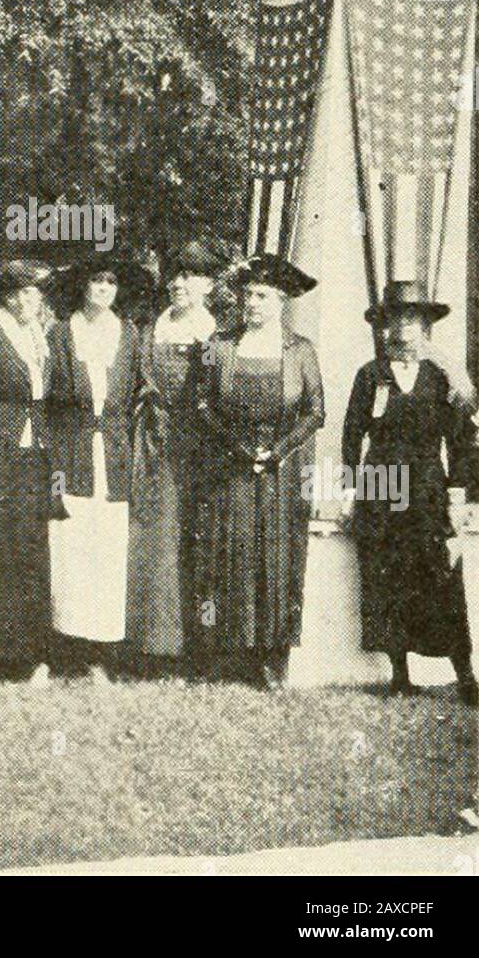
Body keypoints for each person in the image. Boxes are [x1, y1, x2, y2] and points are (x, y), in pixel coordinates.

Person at [341, 281, 479, 704]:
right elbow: (351, 435)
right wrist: (349, 488)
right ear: (385, 327)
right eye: (396, 319)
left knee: (439, 576)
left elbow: (461, 440)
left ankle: (465, 674)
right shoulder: (370, 374)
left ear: (424, 327)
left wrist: (458, 494)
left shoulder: (443, 377)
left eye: (412, 320)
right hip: (381, 482)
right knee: (387, 575)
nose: (404, 328)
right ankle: (399, 676)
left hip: (425, 486)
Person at [192, 252, 324, 690]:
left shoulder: (301, 350)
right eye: (248, 296)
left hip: (280, 473)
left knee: (277, 557)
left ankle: (273, 659)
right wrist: (238, 448)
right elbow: (202, 403)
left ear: (281, 302)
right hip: (229, 467)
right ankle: (224, 657)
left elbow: (314, 412)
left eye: (263, 297)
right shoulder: (217, 346)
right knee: (226, 554)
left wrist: (278, 451)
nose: (253, 304)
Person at [46, 253, 141, 681]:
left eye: (110, 282)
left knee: (108, 554)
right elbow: (46, 400)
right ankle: (63, 650)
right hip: (71, 454)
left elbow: (141, 394)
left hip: (116, 459)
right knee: (68, 549)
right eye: (96, 281)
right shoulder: (62, 333)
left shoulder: (130, 334)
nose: (103, 288)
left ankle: (100, 657)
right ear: (82, 286)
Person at [0, 259, 60, 683]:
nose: (31, 300)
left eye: (36, 293)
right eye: (24, 292)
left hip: (34, 453)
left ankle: (32, 651)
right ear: (8, 295)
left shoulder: (37, 333)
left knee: (31, 547)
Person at [127, 241, 217, 675]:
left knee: (184, 539)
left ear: (210, 285)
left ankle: (183, 650)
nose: (179, 283)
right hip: (149, 442)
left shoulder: (215, 333)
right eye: (176, 274)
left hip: (192, 449)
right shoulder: (151, 326)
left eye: (191, 276)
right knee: (148, 534)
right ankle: (143, 644)